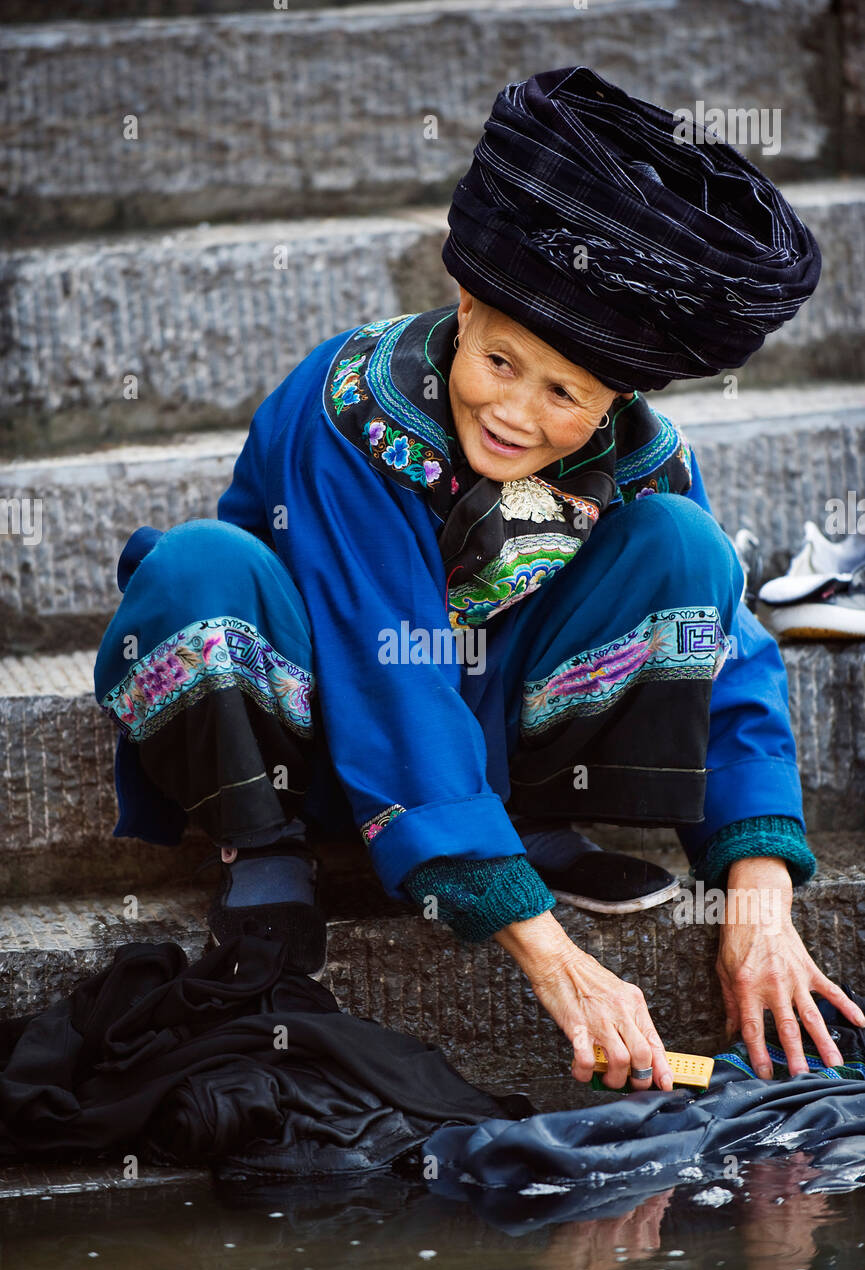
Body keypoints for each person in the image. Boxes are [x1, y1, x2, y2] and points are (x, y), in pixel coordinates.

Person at [93, 66, 865, 1097]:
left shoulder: (640, 456)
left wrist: (755, 904)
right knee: (197, 568)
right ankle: (265, 847)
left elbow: (733, 658)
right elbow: (386, 672)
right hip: (321, 722)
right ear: (463, 304)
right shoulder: (356, 411)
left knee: (684, 545)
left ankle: (532, 820)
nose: (517, 413)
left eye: (565, 393)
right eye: (499, 361)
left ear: (614, 399)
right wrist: (552, 960)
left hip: (490, 730)